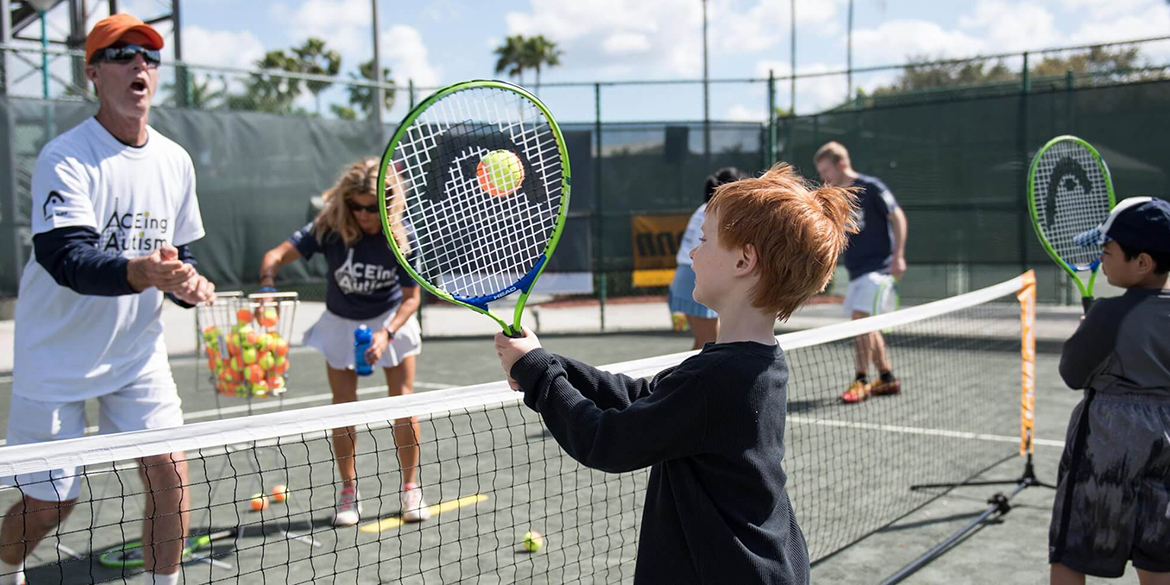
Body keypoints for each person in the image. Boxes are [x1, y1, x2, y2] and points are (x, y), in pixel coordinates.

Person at [495, 163, 857, 584]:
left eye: (705, 241)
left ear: (744, 260)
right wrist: (546, 363)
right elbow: (642, 393)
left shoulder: (716, 378)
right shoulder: (753, 361)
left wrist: (540, 375)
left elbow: (606, 441)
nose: (692, 252)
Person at [0, 14, 215, 585]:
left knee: (171, 474)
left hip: (135, 356)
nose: (138, 65)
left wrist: (189, 285)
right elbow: (67, 259)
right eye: (121, 55)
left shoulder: (176, 161)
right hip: (56, 359)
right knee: (51, 504)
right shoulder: (65, 157)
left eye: (147, 56)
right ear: (93, 72)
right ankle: (4, 568)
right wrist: (143, 271)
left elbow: (181, 256)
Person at [257, 158, 429, 526]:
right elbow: (273, 256)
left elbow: (411, 298)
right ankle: (349, 491)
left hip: (388, 320)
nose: (364, 214)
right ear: (345, 201)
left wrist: (387, 333)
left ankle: (411, 488)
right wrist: (267, 284)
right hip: (340, 321)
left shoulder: (401, 236)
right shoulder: (329, 228)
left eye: (372, 207)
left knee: (403, 402)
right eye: (356, 205)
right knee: (343, 408)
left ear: (388, 202)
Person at [1049, 197, 1170, 585]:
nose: (1100, 259)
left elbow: (1073, 372)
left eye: (1106, 251)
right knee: (1158, 553)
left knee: (1071, 550)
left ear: (1142, 262)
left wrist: (1089, 328)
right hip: (1165, 444)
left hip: (1106, 447)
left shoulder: (1108, 314)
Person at [813, 141, 909, 404]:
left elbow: (898, 216)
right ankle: (887, 377)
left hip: (878, 269)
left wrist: (898, 256)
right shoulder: (836, 196)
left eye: (826, 170)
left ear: (841, 164)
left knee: (860, 321)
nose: (824, 177)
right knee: (869, 325)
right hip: (856, 272)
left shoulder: (872, 187)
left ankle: (861, 379)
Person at [670, 167, 748, 349]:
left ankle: (685, 378)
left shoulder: (707, 209)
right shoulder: (718, 213)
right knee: (710, 344)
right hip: (694, 277)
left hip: (687, 278)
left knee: (704, 344)